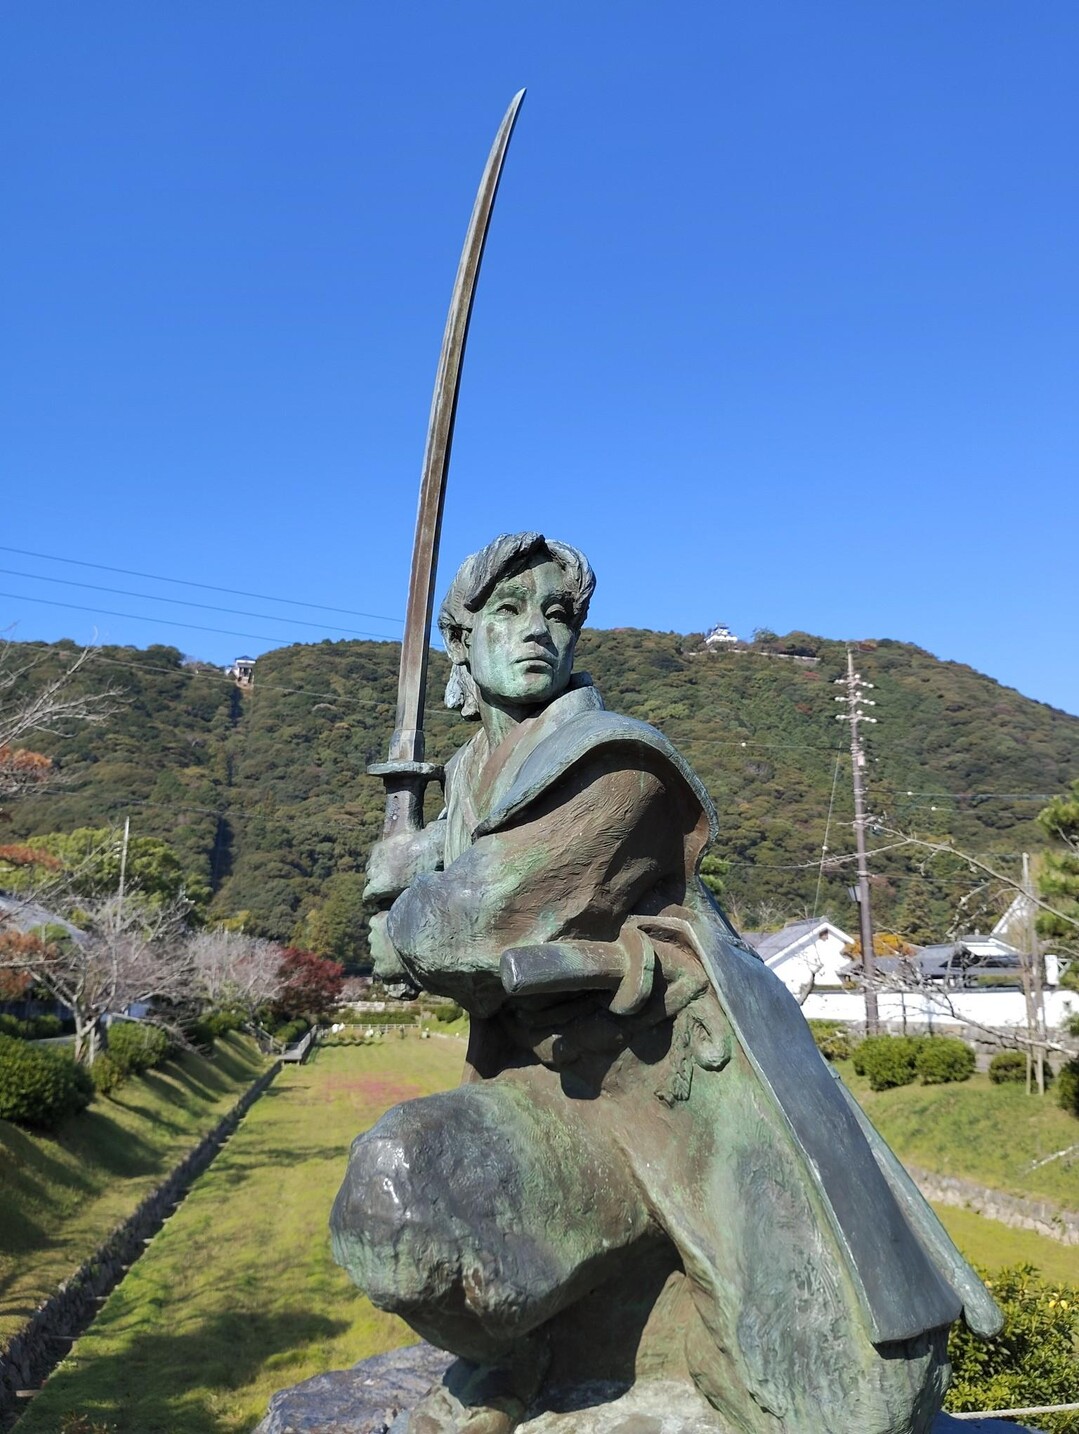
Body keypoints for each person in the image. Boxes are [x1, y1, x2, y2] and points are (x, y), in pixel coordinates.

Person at [331, 532, 999, 1434]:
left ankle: (667, 1331)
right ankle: (517, 1356)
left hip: (682, 1097)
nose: (537, 631)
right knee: (393, 1191)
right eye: (508, 611)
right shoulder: (460, 783)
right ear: (461, 643)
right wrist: (405, 878)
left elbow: (458, 931)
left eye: (557, 614)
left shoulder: (615, 766)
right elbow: (398, 957)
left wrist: (411, 878)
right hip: (553, 1096)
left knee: (849, 1409)